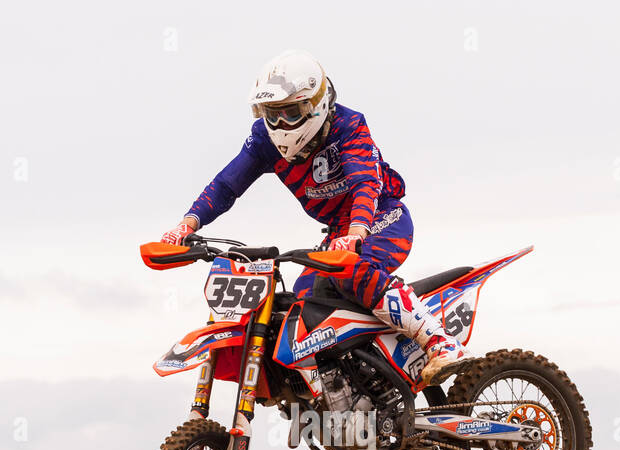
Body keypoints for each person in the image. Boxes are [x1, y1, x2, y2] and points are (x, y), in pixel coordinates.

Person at [159, 50, 469, 386]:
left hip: (382, 218)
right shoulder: (264, 139)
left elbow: (366, 183)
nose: (279, 124)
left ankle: (439, 342)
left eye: (289, 112)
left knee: (351, 274)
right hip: (339, 233)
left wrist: (356, 233)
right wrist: (187, 224)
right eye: (270, 114)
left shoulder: (349, 126)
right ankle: (345, 385)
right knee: (303, 304)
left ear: (315, 105)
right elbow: (226, 185)